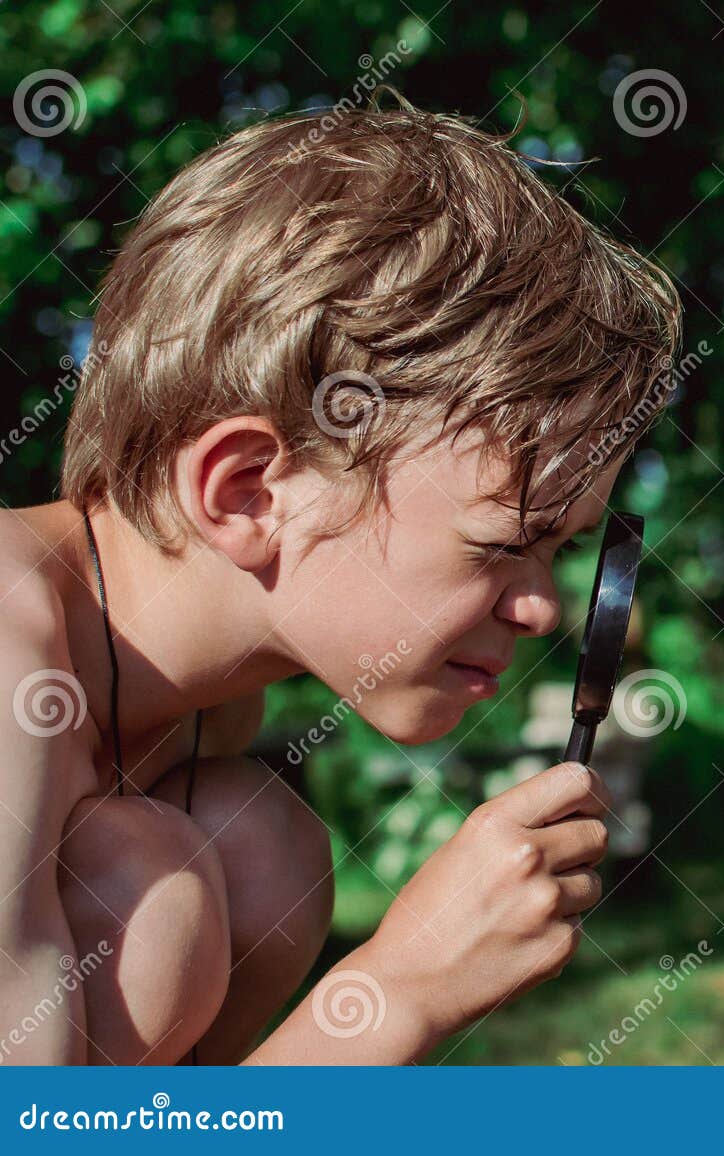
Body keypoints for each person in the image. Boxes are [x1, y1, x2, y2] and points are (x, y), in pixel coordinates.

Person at [0, 93, 682, 1064]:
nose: (540, 609)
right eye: (499, 543)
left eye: (564, 552)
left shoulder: (205, 720)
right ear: (245, 492)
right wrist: (399, 989)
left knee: (253, 849)